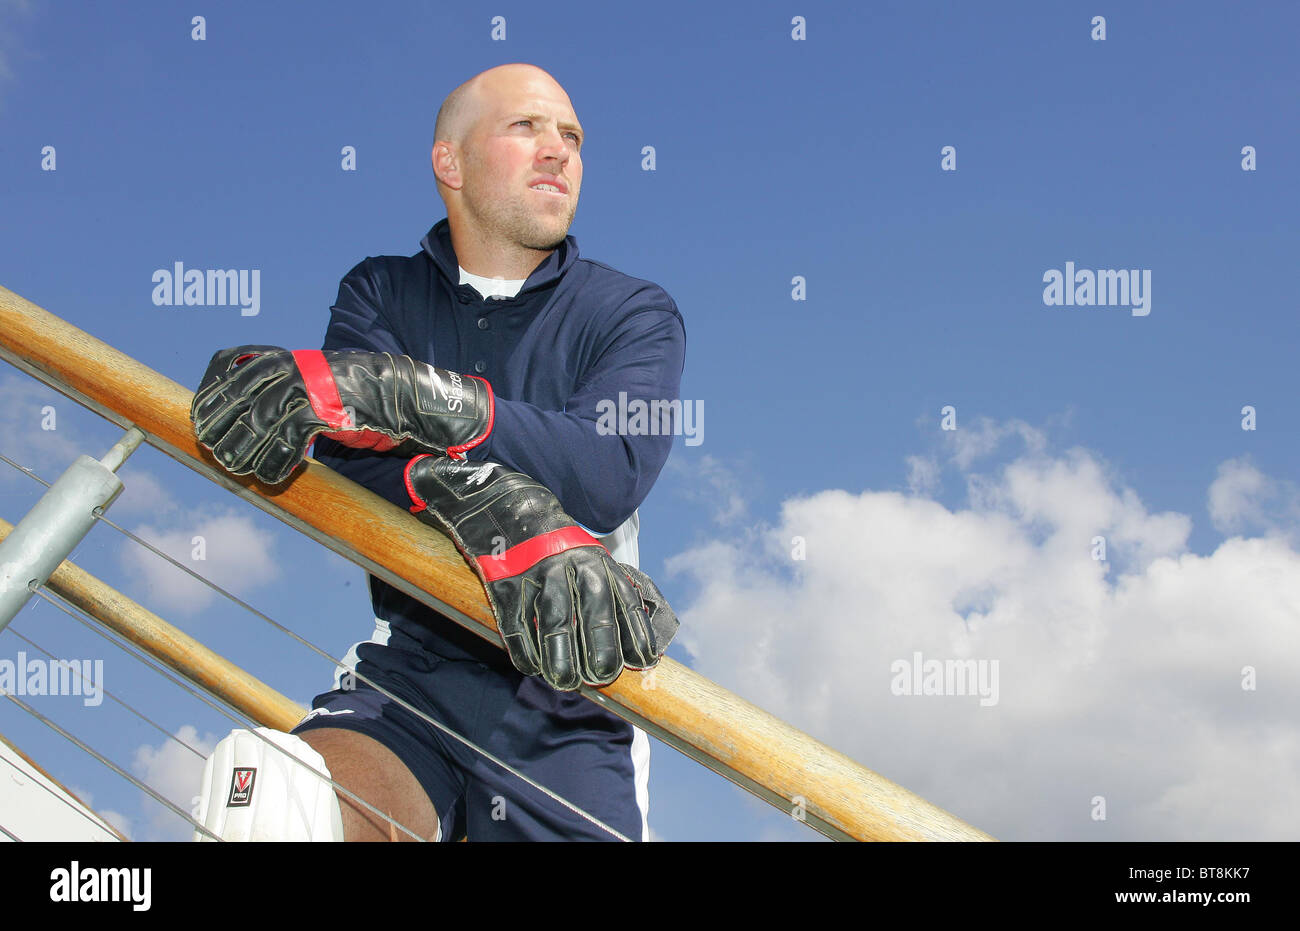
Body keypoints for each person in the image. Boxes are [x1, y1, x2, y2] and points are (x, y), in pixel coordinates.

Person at [188, 63, 686, 842]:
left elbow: (605, 471)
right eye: (526, 127)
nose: (558, 149)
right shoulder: (381, 290)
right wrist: (484, 494)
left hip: (568, 683)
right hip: (411, 667)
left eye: (572, 136)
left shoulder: (632, 310)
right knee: (273, 804)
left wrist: (406, 398)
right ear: (448, 163)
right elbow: (349, 460)